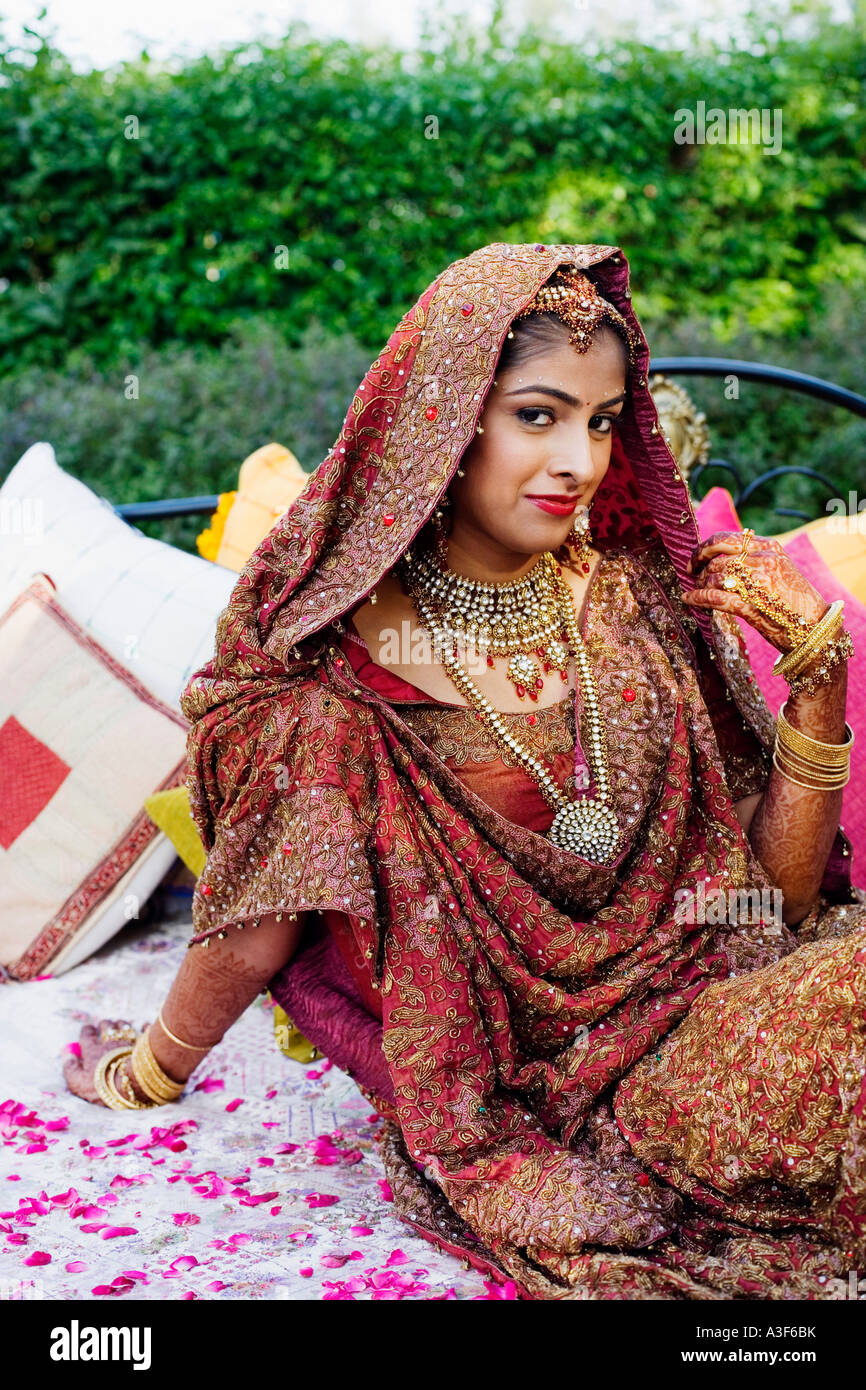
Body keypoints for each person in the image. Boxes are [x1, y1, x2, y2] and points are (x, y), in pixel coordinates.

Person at [64, 242, 866, 1300]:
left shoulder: (636, 599)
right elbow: (262, 911)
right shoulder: (331, 683)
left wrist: (817, 681)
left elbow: (781, 901)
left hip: (736, 993)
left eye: (601, 422)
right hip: (591, 1102)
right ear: (440, 424)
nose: (578, 461)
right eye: (537, 416)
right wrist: (151, 1068)